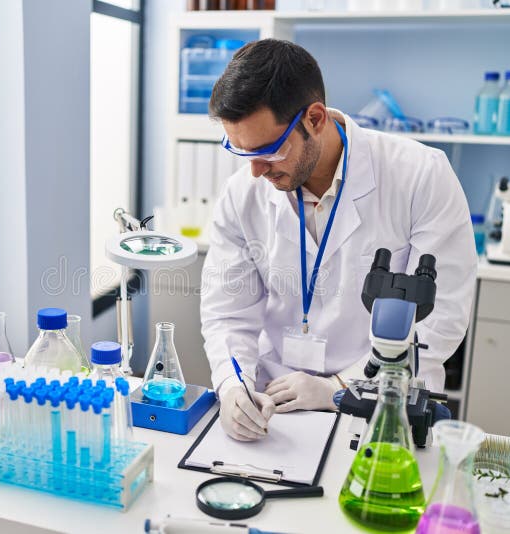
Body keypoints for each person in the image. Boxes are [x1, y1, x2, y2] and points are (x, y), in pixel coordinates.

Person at [200, 39, 476, 442]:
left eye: (269, 151)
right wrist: (232, 385)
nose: (256, 170)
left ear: (315, 118)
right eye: (241, 152)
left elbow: (441, 316)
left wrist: (341, 388)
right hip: (275, 408)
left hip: (383, 404)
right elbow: (228, 312)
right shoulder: (243, 193)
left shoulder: (420, 175)